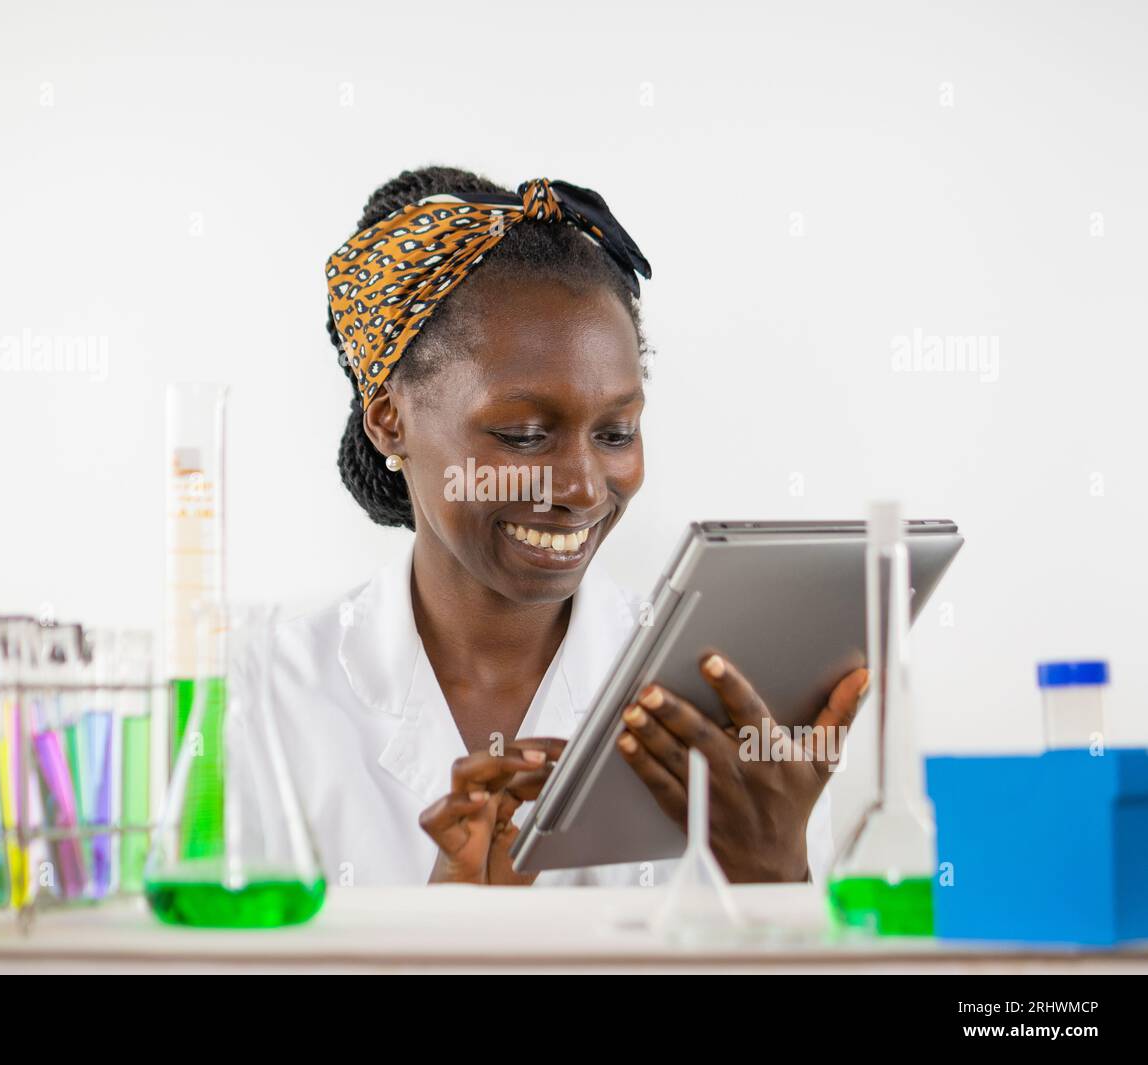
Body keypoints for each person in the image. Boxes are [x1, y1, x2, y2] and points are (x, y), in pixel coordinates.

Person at [273, 166, 867, 887]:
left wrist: (776, 875)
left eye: (616, 432)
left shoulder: (735, 718)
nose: (584, 487)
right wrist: (438, 936)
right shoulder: (266, 700)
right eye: (523, 435)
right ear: (390, 420)